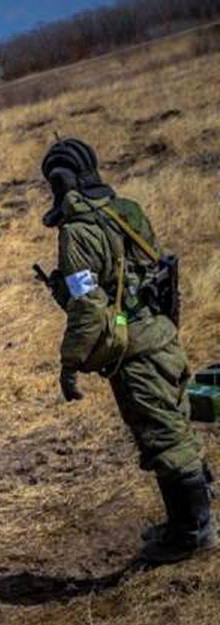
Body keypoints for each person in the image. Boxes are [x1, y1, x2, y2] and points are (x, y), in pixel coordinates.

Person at [40, 137, 213, 563]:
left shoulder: (78, 232)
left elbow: (88, 306)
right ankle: (191, 516)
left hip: (133, 347)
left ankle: (193, 532)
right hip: (162, 334)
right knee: (174, 422)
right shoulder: (128, 210)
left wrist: (71, 362)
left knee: (161, 437)